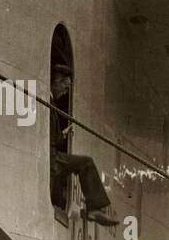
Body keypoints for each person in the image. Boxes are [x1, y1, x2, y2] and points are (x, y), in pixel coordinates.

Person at [49, 64, 118, 227]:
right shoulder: (49, 101)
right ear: (56, 82)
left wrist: (62, 134)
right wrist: (61, 136)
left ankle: (87, 207)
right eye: (65, 86)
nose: (65, 91)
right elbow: (53, 139)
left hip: (50, 155)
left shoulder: (50, 102)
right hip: (51, 158)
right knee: (86, 162)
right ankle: (94, 208)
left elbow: (53, 136)